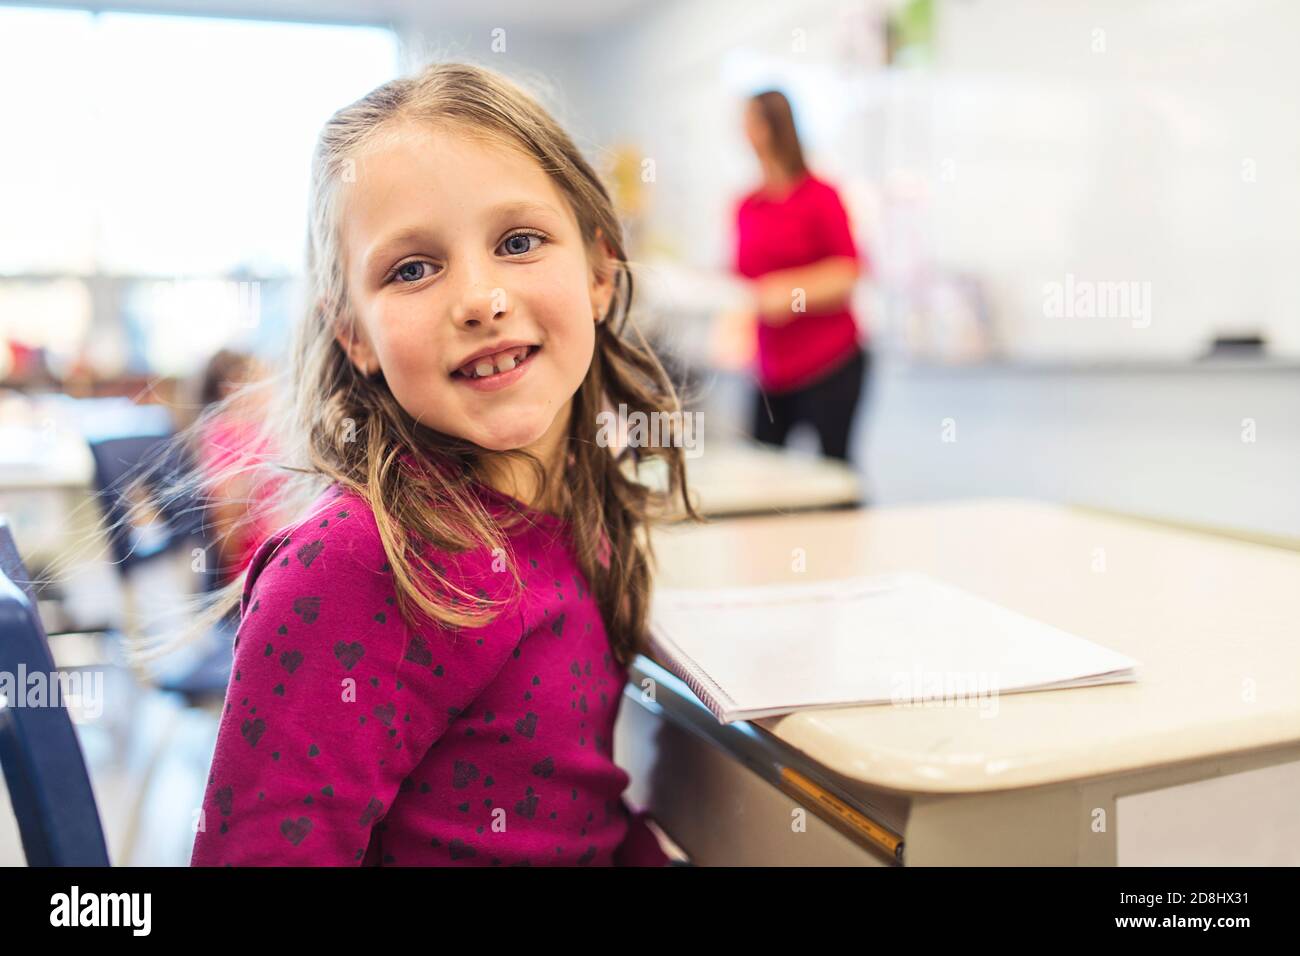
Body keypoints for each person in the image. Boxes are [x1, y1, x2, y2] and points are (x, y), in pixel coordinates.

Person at [186, 61, 700, 866]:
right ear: (354, 335)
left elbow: (577, 813)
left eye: (519, 242)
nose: (479, 298)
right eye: (413, 269)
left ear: (600, 271)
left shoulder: (580, 506)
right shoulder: (353, 571)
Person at [734, 90, 870, 462]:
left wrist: (791, 293)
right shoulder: (747, 206)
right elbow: (742, 281)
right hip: (771, 368)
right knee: (761, 468)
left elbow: (848, 271)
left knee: (834, 472)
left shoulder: (821, 196)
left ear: (769, 127)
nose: (741, 131)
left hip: (830, 361)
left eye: (748, 122)